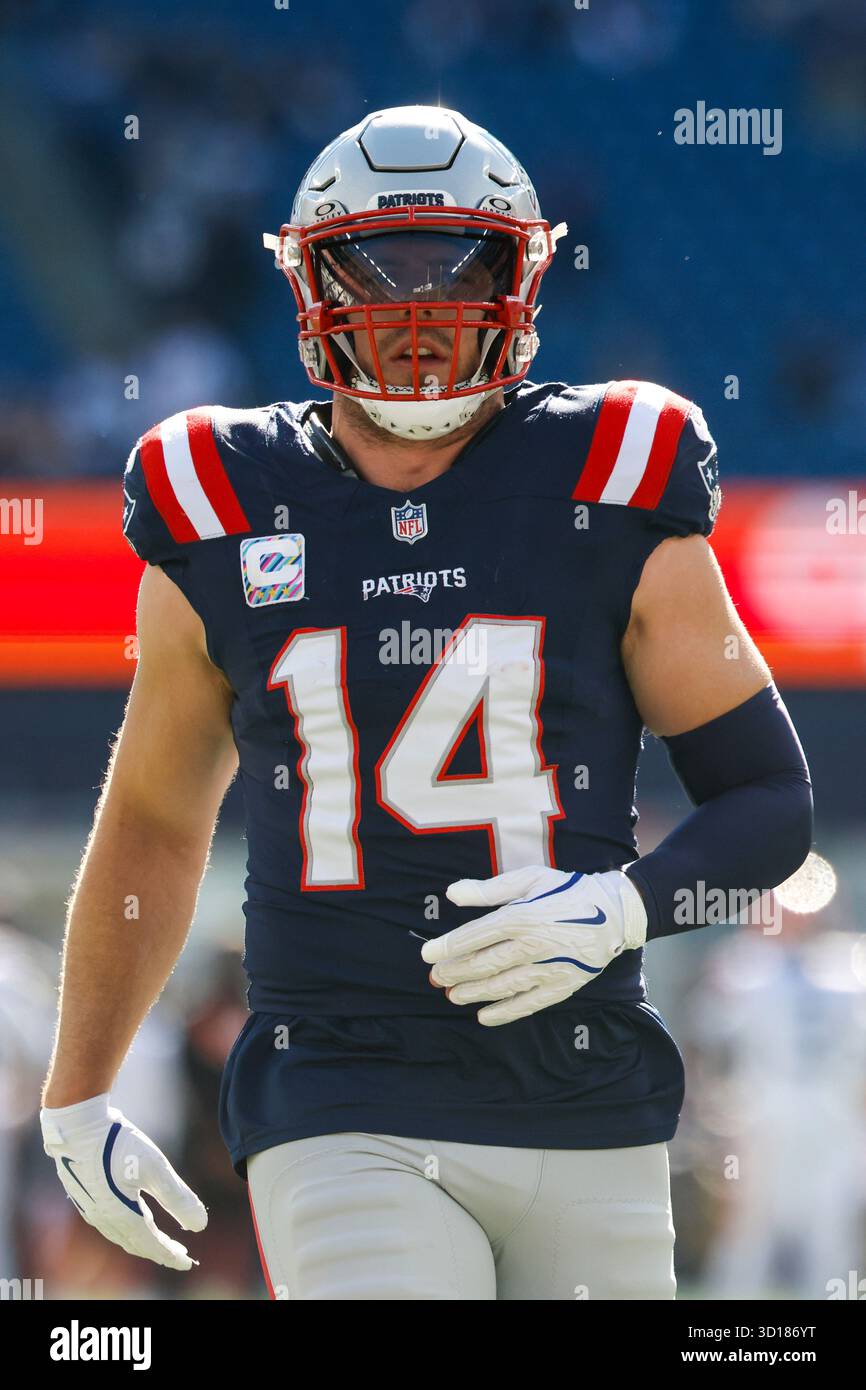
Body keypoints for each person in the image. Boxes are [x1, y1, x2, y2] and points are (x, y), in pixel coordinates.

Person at [40, 104, 812, 1301]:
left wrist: (619, 909)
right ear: (308, 282)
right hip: (341, 1089)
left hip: (587, 1091)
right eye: (378, 271)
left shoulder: (611, 478)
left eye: (457, 267)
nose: (417, 313)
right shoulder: (218, 499)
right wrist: (77, 1083)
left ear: (525, 276)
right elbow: (150, 816)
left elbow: (767, 801)